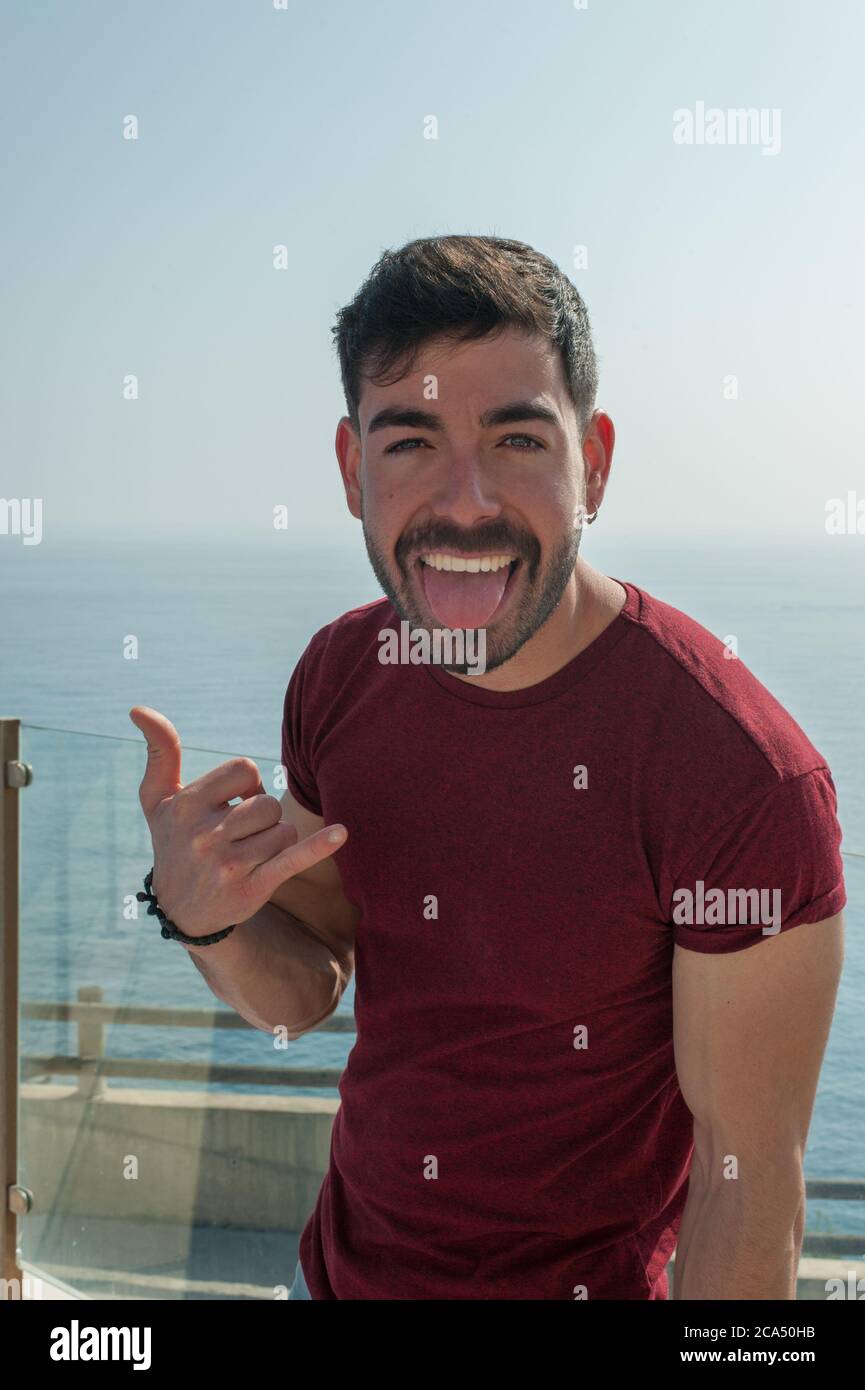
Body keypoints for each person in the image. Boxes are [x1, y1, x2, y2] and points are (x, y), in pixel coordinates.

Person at [131, 235, 846, 1300]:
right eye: (410, 442)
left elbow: (749, 1180)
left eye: (516, 438)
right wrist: (207, 921)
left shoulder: (735, 770)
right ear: (349, 469)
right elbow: (311, 984)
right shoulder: (337, 676)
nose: (464, 502)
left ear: (592, 461)